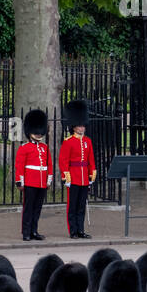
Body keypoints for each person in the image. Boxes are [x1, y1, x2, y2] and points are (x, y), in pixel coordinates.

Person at [58, 99, 96, 238]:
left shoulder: (88, 141)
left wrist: (91, 176)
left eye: (83, 126)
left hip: (84, 178)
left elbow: (90, 160)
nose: (82, 128)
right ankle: (73, 231)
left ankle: (81, 230)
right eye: (79, 126)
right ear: (74, 127)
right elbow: (63, 161)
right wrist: (65, 176)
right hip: (73, 177)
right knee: (72, 207)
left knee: (81, 207)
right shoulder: (68, 142)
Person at [15, 109, 52, 242]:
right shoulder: (24, 148)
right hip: (30, 182)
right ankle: (26, 232)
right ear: (29, 132)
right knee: (28, 208)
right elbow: (19, 166)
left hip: (42, 182)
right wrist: (20, 182)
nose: (38, 134)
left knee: (37, 208)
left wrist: (48, 180)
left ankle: (34, 231)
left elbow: (49, 165)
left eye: (39, 131)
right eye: (35, 131)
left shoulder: (44, 148)